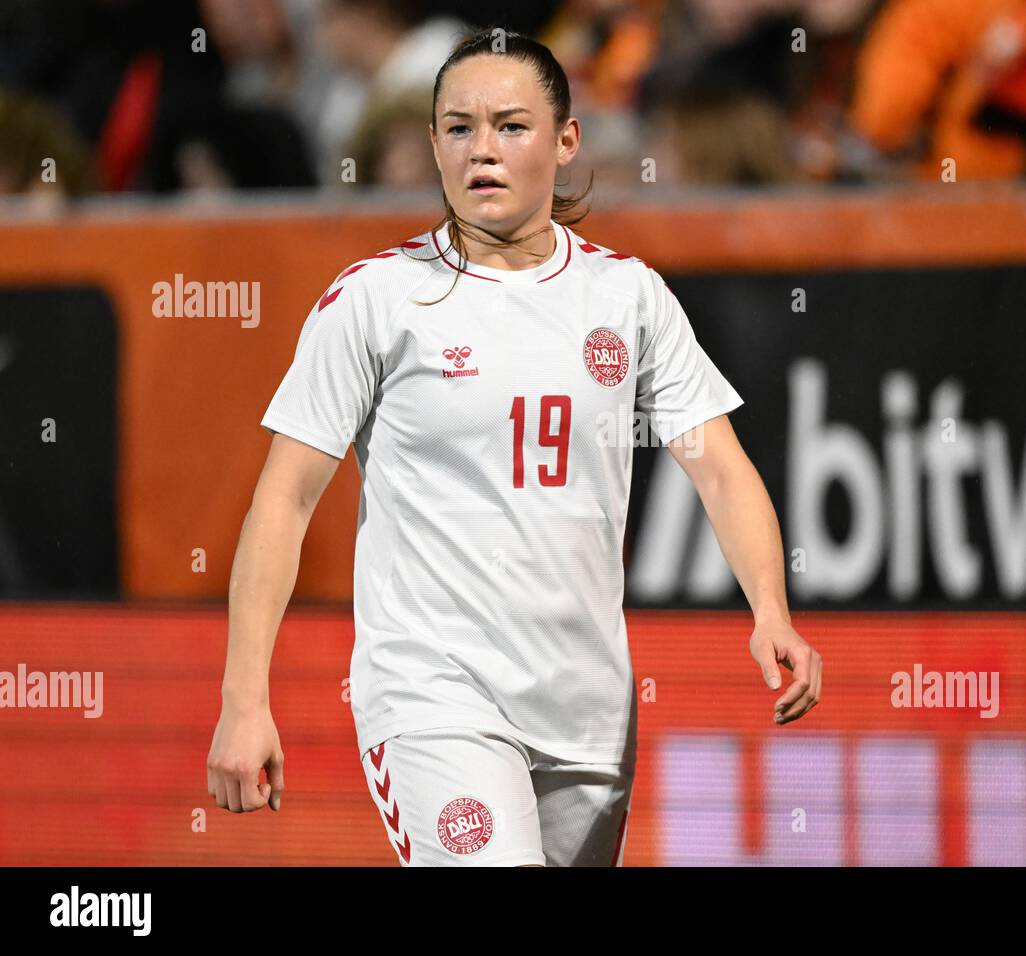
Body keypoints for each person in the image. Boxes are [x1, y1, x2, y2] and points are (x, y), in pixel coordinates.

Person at [206, 27, 822, 867]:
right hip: (434, 696)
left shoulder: (628, 297)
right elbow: (285, 497)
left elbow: (718, 466)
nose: (481, 151)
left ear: (567, 141)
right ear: (432, 145)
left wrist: (770, 610)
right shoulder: (378, 300)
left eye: (511, 126)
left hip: (587, 710)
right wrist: (245, 696)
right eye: (458, 128)